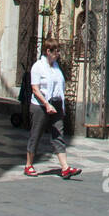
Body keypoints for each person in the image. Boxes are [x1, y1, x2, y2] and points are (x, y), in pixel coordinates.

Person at [24, 40, 80, 178]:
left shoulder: (55, 67)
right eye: (56, 52)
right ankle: (28, 165)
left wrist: (58, 103)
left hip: (56, 105)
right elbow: (35, 89)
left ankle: (65, 168)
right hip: (40, 106)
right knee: (35, 134)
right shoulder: (38, 67)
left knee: (58, 135)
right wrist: (46, 104)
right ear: (48, 52)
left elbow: (58, 86)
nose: (58, 54)